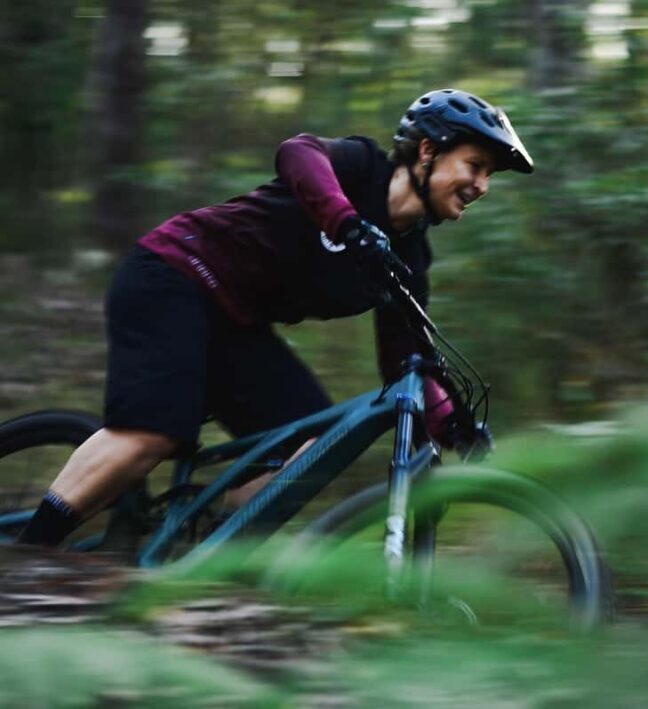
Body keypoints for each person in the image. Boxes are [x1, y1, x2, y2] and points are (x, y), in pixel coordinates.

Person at [17, 88, 534, 547]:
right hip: (175, 275)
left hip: (234, 325)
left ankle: (196, 549)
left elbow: (406, 361)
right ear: (428, 150)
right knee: (153, 433)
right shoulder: (361, 167)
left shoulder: (410, 260)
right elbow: (298, 151)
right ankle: (26, 556)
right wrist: (346, 221)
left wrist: (451, 428)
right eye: (476, 165)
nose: (482, 185)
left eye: (488, 174)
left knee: (313, 447)